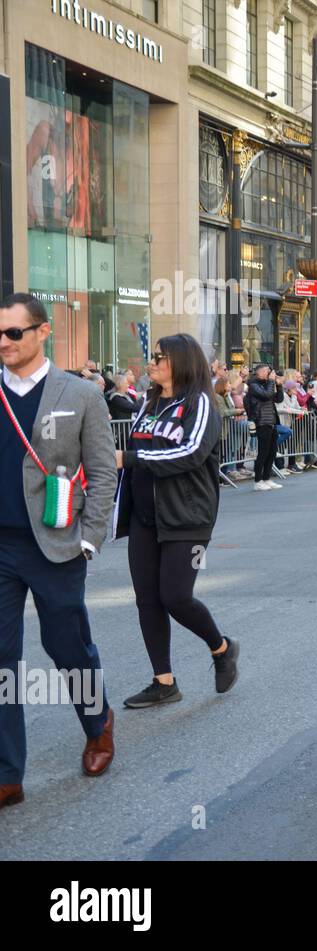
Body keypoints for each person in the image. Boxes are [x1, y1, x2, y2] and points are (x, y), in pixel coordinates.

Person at [0, 293, 118, 809]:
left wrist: (90, 538)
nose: (3, 342)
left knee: (67, 647)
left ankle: (98, 723)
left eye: (13, 333)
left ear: (42, 332)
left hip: (57, 542)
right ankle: (8, 773)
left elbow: (103, 470)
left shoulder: (80, 393)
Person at [113, 335, 238, 708]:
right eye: (153, 357)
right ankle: (163, 681)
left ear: (181, 362)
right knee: (147, 598)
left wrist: (131, 459)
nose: (152, 363)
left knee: (177, 597)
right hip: (145, 517)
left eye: (160, 358)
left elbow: (190, 453)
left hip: (188, 517)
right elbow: (133, 449)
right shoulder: (148, 402)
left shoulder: (201, 403)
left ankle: (222, 647)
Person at [245, 364, 283, 490]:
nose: (270, 374)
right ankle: (258, 481)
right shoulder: (253, 385)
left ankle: (267, 478)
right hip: (261, 421)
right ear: (259, 372)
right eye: (267, 371)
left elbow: (278, 399)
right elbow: (266, 395)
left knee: (272, 452)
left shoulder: (268, 384)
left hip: (271, 421)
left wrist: (278, 385)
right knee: (263, 453)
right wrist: (271, 382)